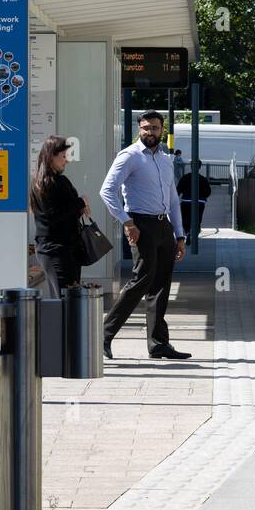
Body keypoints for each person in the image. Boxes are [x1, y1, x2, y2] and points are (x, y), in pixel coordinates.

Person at [99, 111, 190, 360]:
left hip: (164, 227)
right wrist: (127, 223)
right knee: (141, 280)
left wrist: (179, 236)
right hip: (141, 223)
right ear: (139, 129)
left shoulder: (165, 159)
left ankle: (159, 343)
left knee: (161, 285)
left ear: (162, 130)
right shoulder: (129, 156)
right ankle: (103, 337)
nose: (150, 132)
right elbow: (107, 191)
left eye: (155, 128)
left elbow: (173, 200)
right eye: (146, 128)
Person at [30, 135, 90, 298]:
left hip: (65, 248)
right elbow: (53, 215)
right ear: (50, 156)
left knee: (68, 297)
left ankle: (66, 324)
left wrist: (79, 207)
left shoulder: (54, 181)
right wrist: (80, 203)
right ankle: (62, 325)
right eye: (63, 156)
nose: (66, 161)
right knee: (65, 298)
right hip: (56, 249)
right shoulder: (47, 183)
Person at [177, 169, 212, 236]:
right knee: (197, 219)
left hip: (186, 201)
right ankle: (196, 232)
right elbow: (208, 192)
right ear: (200, 167)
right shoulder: (203, 179)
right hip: (200, 202)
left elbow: (178, 190)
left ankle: (187, 232)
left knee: (186, 218)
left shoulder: (185, 177)